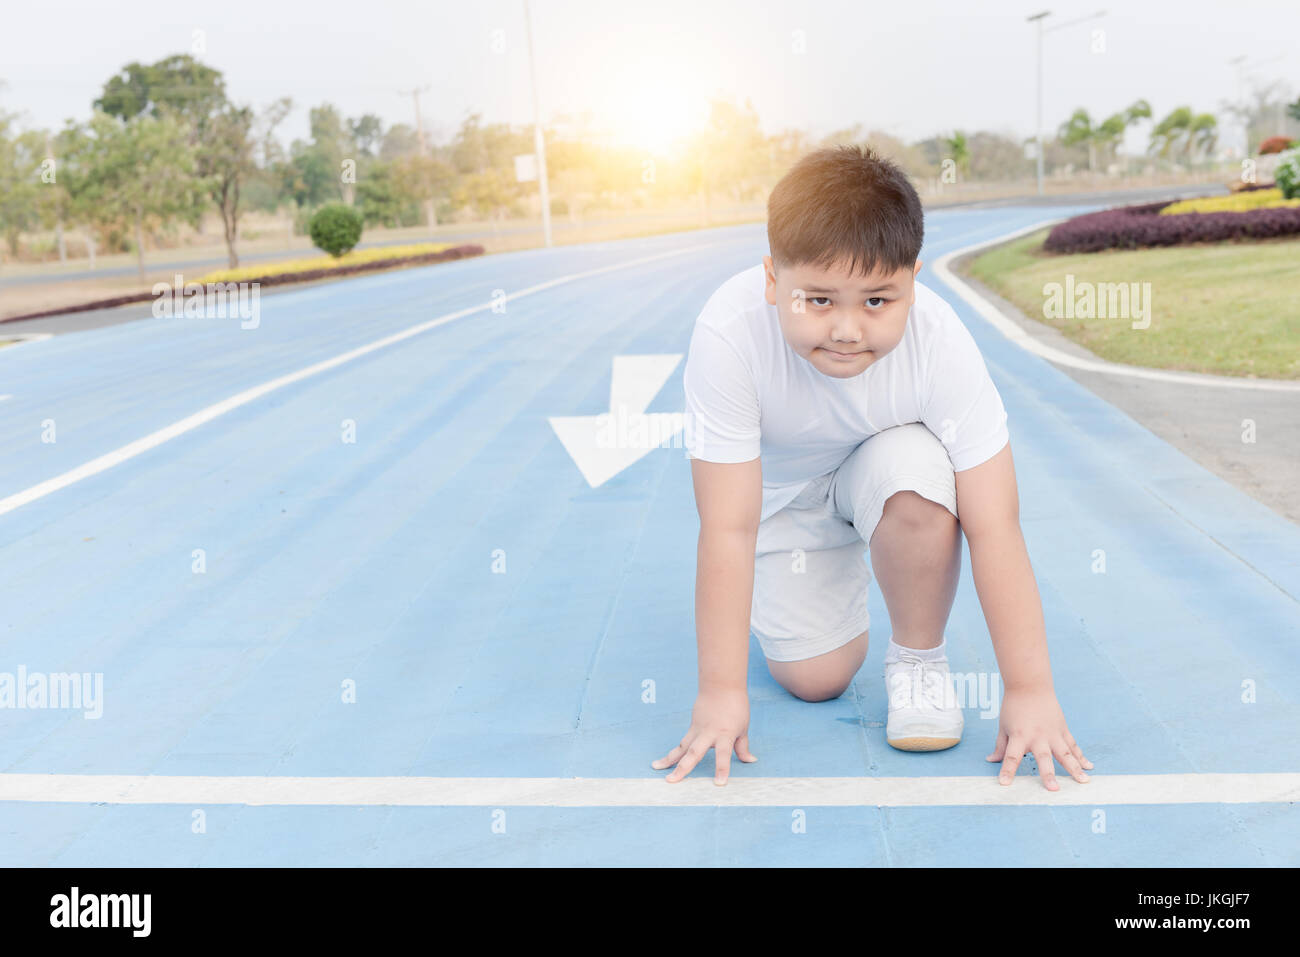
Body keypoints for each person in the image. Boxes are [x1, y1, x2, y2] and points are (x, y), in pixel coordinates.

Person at [652, 144, 1093, 791]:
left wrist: (1030, 689)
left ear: (913, 280)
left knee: (918, 475)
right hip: (781, 500)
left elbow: (995, 521)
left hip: (882, 469)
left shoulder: (940, 342)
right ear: (774, 280)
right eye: (820, 300)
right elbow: (728, 526)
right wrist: (720, 692)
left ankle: (918, 658)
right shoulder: (729, 332)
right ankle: (823, 572)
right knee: (816, 680)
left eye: (878, 301)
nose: (849, 329)